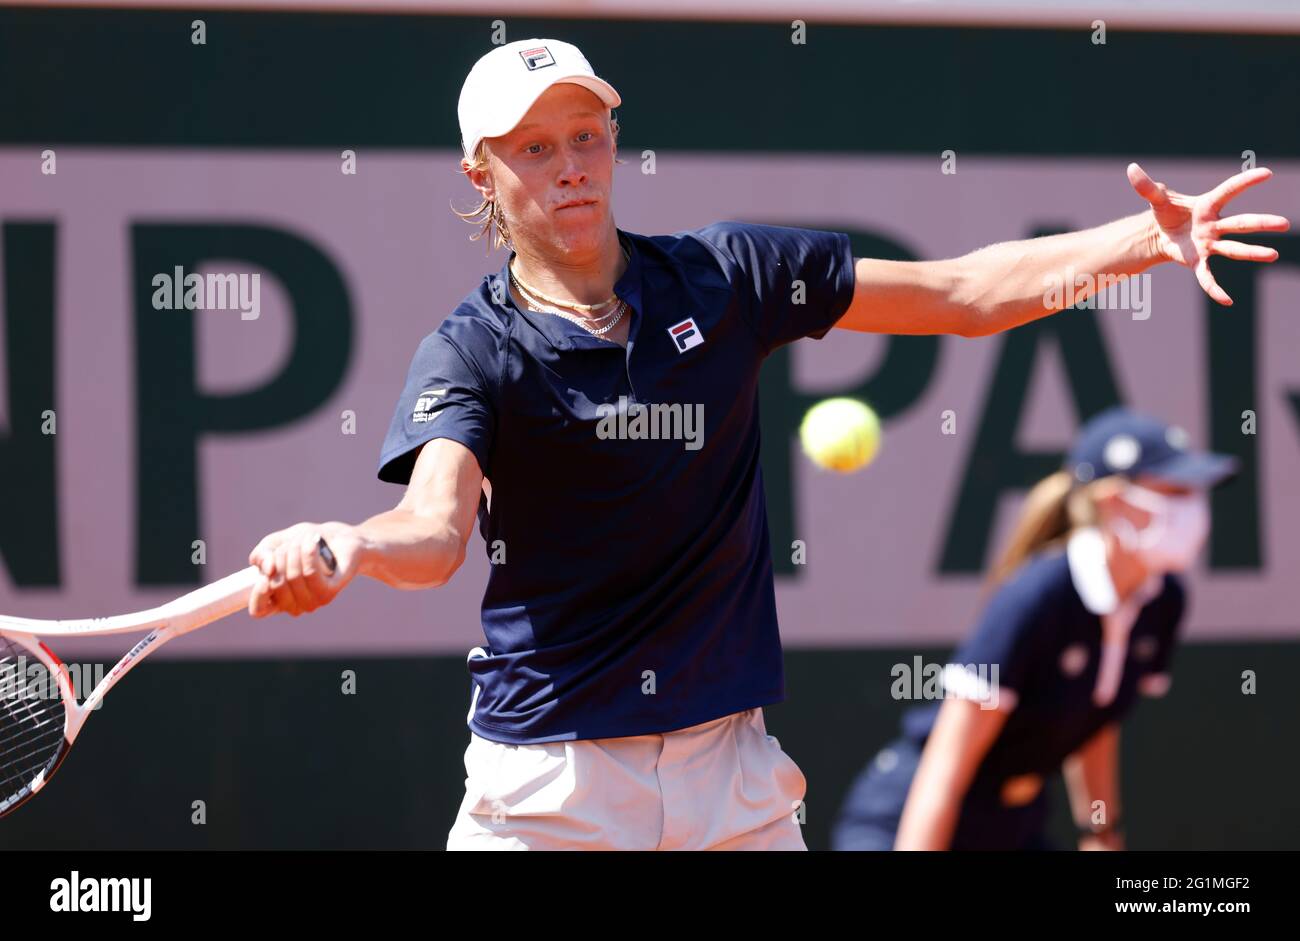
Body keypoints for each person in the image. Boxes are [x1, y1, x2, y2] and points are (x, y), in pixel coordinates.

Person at [241, 37, 1285, 850]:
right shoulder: (470, 353)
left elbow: (963, 293)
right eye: (533, 147)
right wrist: (351, 543)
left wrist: (1148, 238)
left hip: (730, 779)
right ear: (480, 175)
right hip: (546, 790)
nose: (570, 167)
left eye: (586, 135)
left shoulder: (728, 275)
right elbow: (432, 529)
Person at [831, 408, 1239, 851]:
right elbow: (944, 770)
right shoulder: (1037, 596)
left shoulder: (1164, 599)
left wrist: (1100, 834)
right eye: (1174, 491)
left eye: (1194, 493)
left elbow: (1098, 720)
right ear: (1113, 502)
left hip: (1014, 827)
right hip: (908, 822)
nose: (1193, 509)